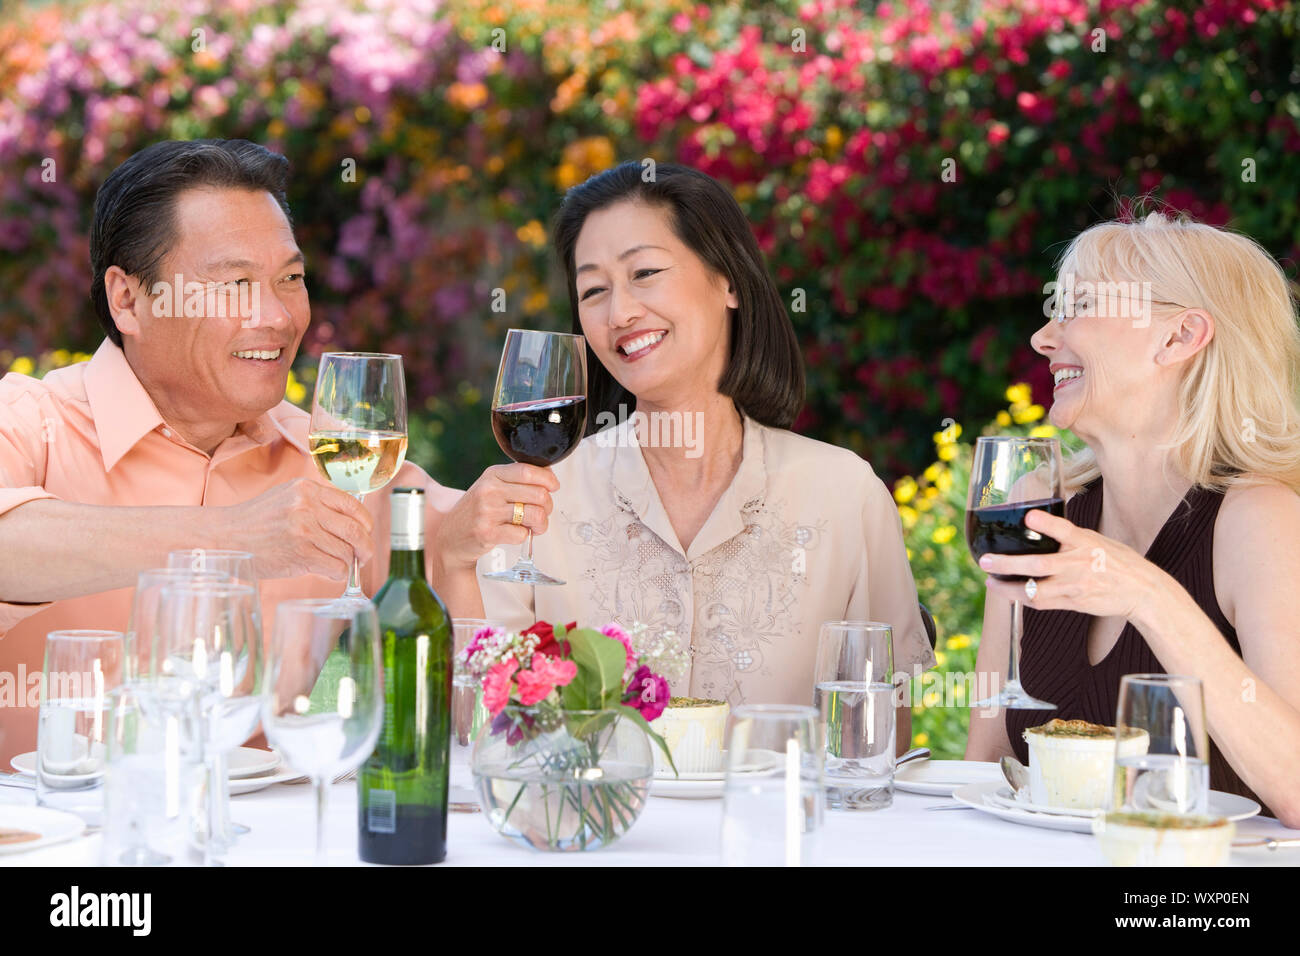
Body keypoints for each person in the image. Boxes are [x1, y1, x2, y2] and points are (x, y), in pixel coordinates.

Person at [0, 139, 540, 764]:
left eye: (290, 278)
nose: (278, 316)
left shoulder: (330, 455)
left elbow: (460, 637)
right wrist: (234, 538)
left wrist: (459, 550)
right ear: (128, 300)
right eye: (234, 283)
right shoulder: (29, 420)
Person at [443, 162, 934, 752]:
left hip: (780, 839)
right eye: (594, 289)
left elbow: (881, 755)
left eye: (644, 272)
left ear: (728, 279)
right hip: (595, 839)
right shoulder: (535, 501)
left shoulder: (845, 493)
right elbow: (485, 736)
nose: (618, 312)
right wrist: (452, 561)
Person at [965, 211, 1300, 826]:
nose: (1044, 337)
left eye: (1079, 307)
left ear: (1178, 338)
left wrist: (1149, 594)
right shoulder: (1037, 504)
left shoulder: (1262, 520)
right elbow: (987, 769)